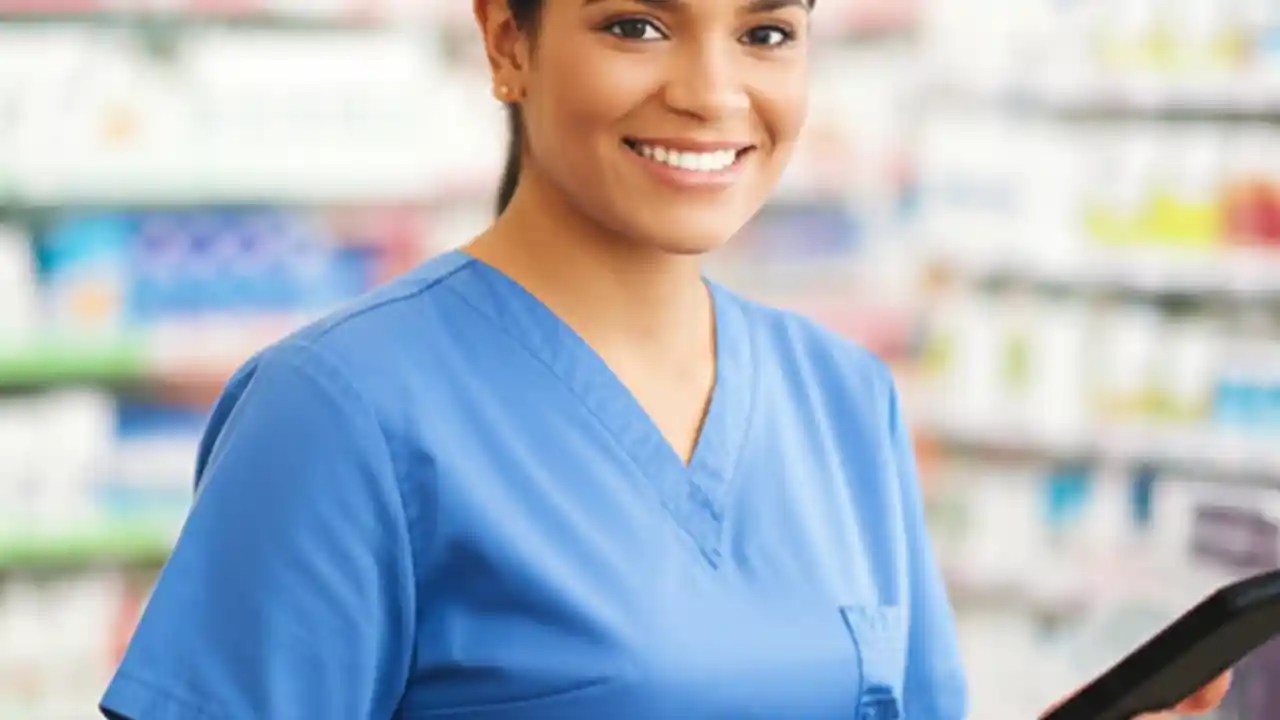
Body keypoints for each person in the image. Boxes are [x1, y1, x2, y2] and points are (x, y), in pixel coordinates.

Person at [100, 0, 1231, 718]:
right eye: (636, 25)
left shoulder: (843, 399)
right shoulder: (341, 410)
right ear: (507, 43)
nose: (709, 93)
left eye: (765, 32)